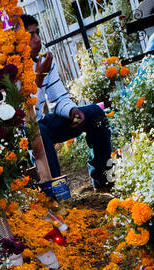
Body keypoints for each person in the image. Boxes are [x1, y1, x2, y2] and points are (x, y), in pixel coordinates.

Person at [23, 15, 113, 192]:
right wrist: (39, 77)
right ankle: (57, 195)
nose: (38, 39)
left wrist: (72, 111)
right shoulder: (10, 69)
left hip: (43, 123)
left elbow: (58, 98)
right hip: (26, 130)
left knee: (94, 113)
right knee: (39, 132)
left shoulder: (44, 61)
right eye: (30, 35)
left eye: (38, 33)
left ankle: (103, 180)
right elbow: (26, 116)